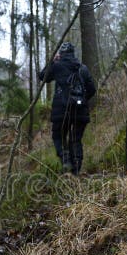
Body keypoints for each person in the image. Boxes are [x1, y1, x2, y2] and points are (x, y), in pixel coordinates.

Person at [39, 42, 96, 174]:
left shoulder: (57, 66)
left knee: (58, 136)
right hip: (80, 111)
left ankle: (65, 160)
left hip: (61, 110)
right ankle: (76, 171)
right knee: (75, 139)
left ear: (61, 53)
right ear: (73, 53)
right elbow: (92, 89)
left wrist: (52, 61)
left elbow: (42, 76)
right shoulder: (83, 68)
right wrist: (81, 100)